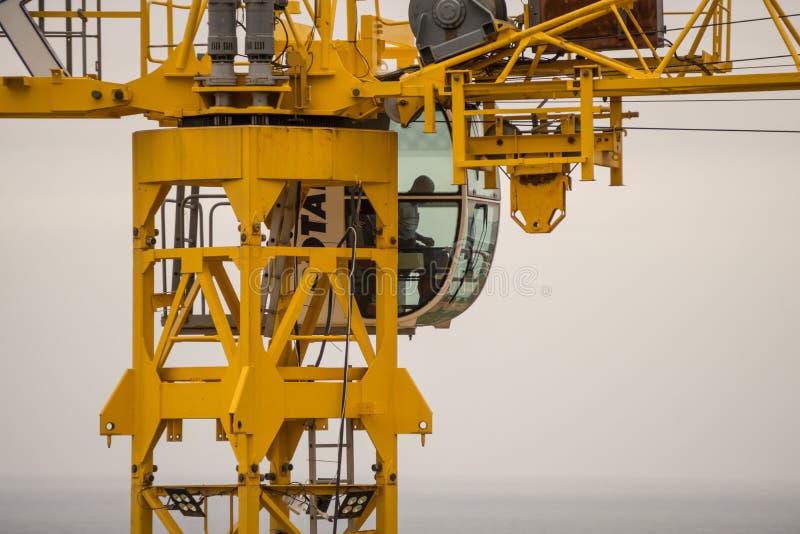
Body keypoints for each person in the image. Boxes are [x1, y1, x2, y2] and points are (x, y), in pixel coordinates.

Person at [398, 175, 435, 249]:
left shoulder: (414, 205)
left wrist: (423, 239)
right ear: (418, 190)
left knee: (441, 255)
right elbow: (387, 233)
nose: (429, 198)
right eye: (428, 194)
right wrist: (405, 243)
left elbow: (406, 233)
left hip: (408, 247)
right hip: (397, 249)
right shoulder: (400, 204)